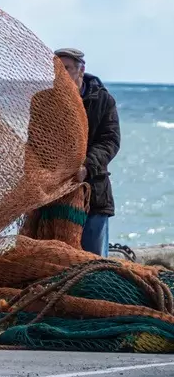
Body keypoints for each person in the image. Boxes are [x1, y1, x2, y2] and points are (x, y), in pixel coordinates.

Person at [54, 47, 120, 257]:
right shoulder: (44, 101)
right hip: (54, 199)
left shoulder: (102, 101)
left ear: (81, 71)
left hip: (94, 196)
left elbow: (110, 141)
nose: (61, 75)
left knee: (94, 265)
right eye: (57, 70)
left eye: (67, 69)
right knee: (56, 265)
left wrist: (87, 167)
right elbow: (36, 143)